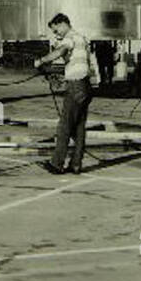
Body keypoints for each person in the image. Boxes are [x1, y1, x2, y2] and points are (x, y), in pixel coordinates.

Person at [34, 12, 98, 174]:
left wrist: (41, 61)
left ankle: (56, 163)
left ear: (63, 24)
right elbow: (78, 63)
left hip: (75, 86)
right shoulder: (82, 38)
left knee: (64, 126)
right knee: (79, 127)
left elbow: (61, 51)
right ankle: (76, 164)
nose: (57, 34)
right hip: (86, 86)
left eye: (56, 30)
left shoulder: (70, 37)